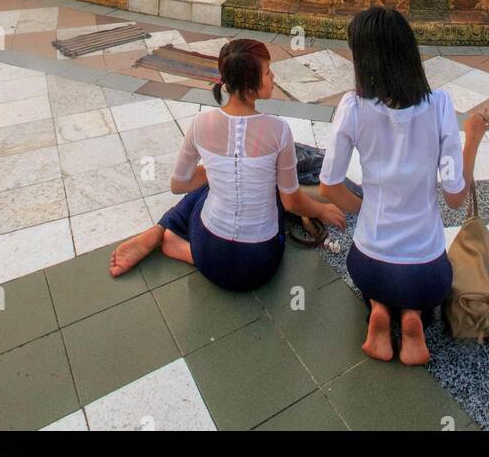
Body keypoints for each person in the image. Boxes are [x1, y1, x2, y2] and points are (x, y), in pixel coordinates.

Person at [319, 7, 489, 366]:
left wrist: (363, 207)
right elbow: (455, 196)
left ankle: (380, 310)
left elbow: (329, 186)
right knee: (422, 286)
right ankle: (413, 318)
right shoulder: (439, 106)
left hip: (369, 265)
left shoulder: (352, 107)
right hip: (426, 274)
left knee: (380, 281)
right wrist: (473, 138)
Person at [109, 39, 345, 289]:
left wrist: (219, 168)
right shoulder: (279, 130)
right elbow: (291, 202)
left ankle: (167, 237)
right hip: (260, 264)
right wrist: (321, 210)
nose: (273, 76)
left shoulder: (201, 123)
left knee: (213, 185)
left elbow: (179, 185)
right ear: (249, 84)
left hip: (208, 249)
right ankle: (175, 244)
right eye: (267, 72)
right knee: (272, 190)